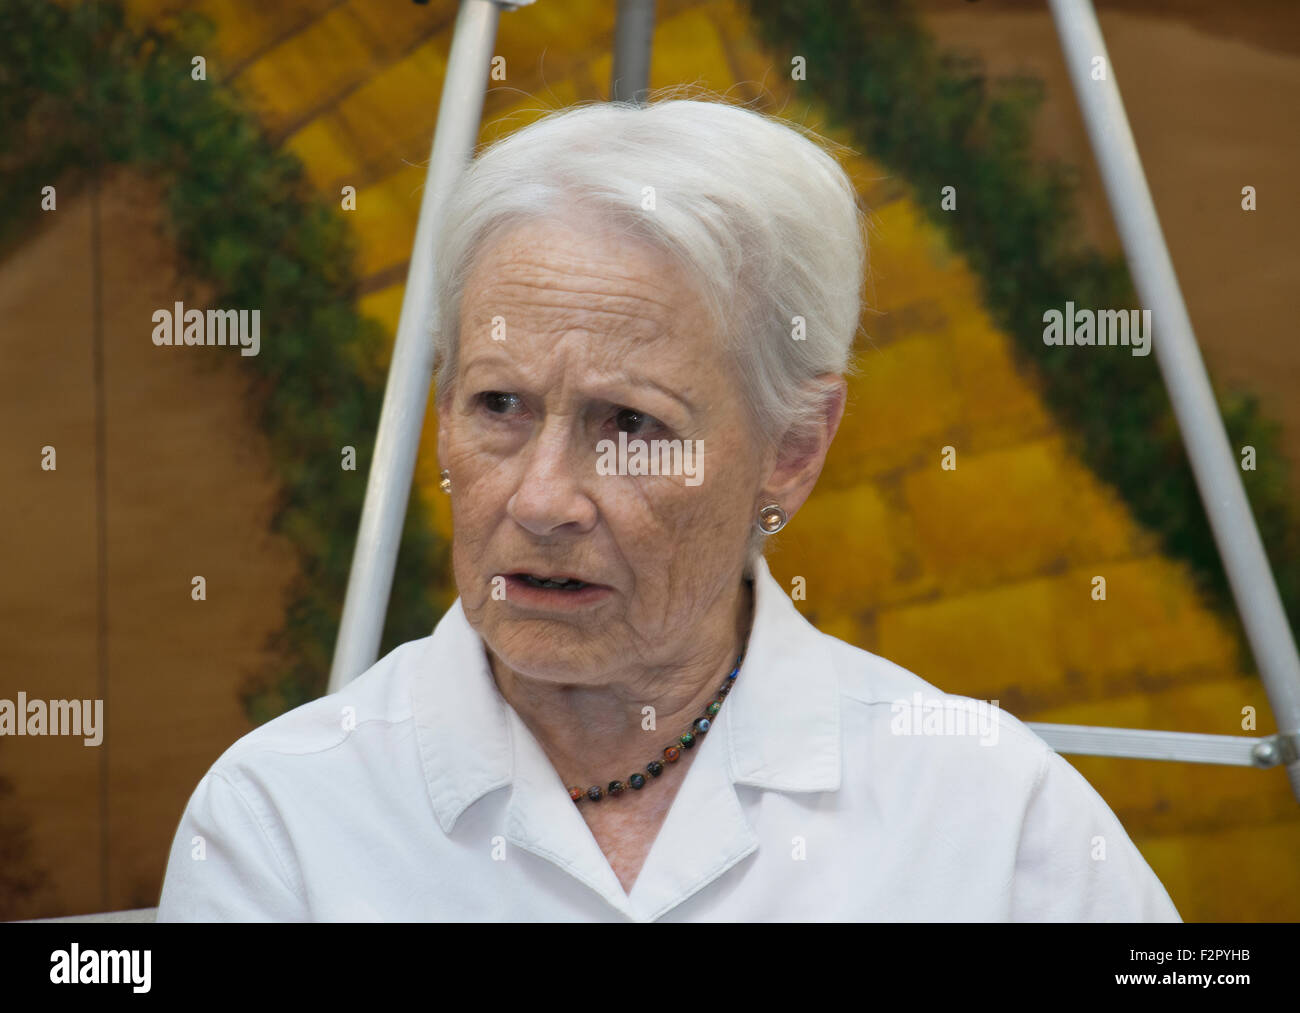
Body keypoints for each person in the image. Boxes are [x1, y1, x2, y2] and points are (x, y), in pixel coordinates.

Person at [157, 97, 1180, 922]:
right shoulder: (283, 816)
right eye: (498, 405)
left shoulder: (988, 816)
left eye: (633, 424)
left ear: (792, 449)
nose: (544, 497)